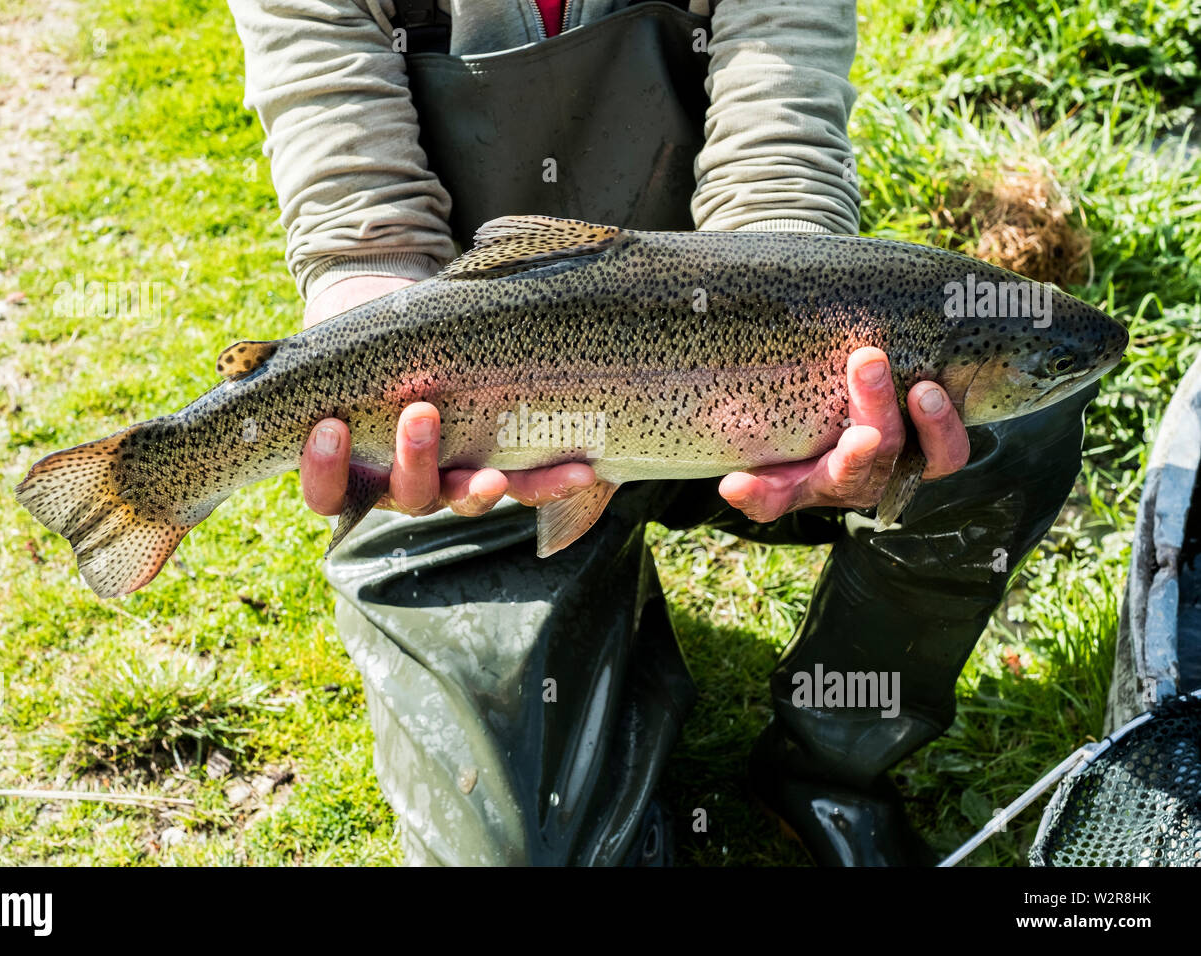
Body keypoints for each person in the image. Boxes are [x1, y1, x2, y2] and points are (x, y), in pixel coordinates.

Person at [227, 0, 1095, 864]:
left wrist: (794, 355)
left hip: (741, 407)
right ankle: (597, 645)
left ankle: (830, 762)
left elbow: (777, 168)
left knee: (1011, 435)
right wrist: (364, 343)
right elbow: (364, 227)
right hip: (474, 447)